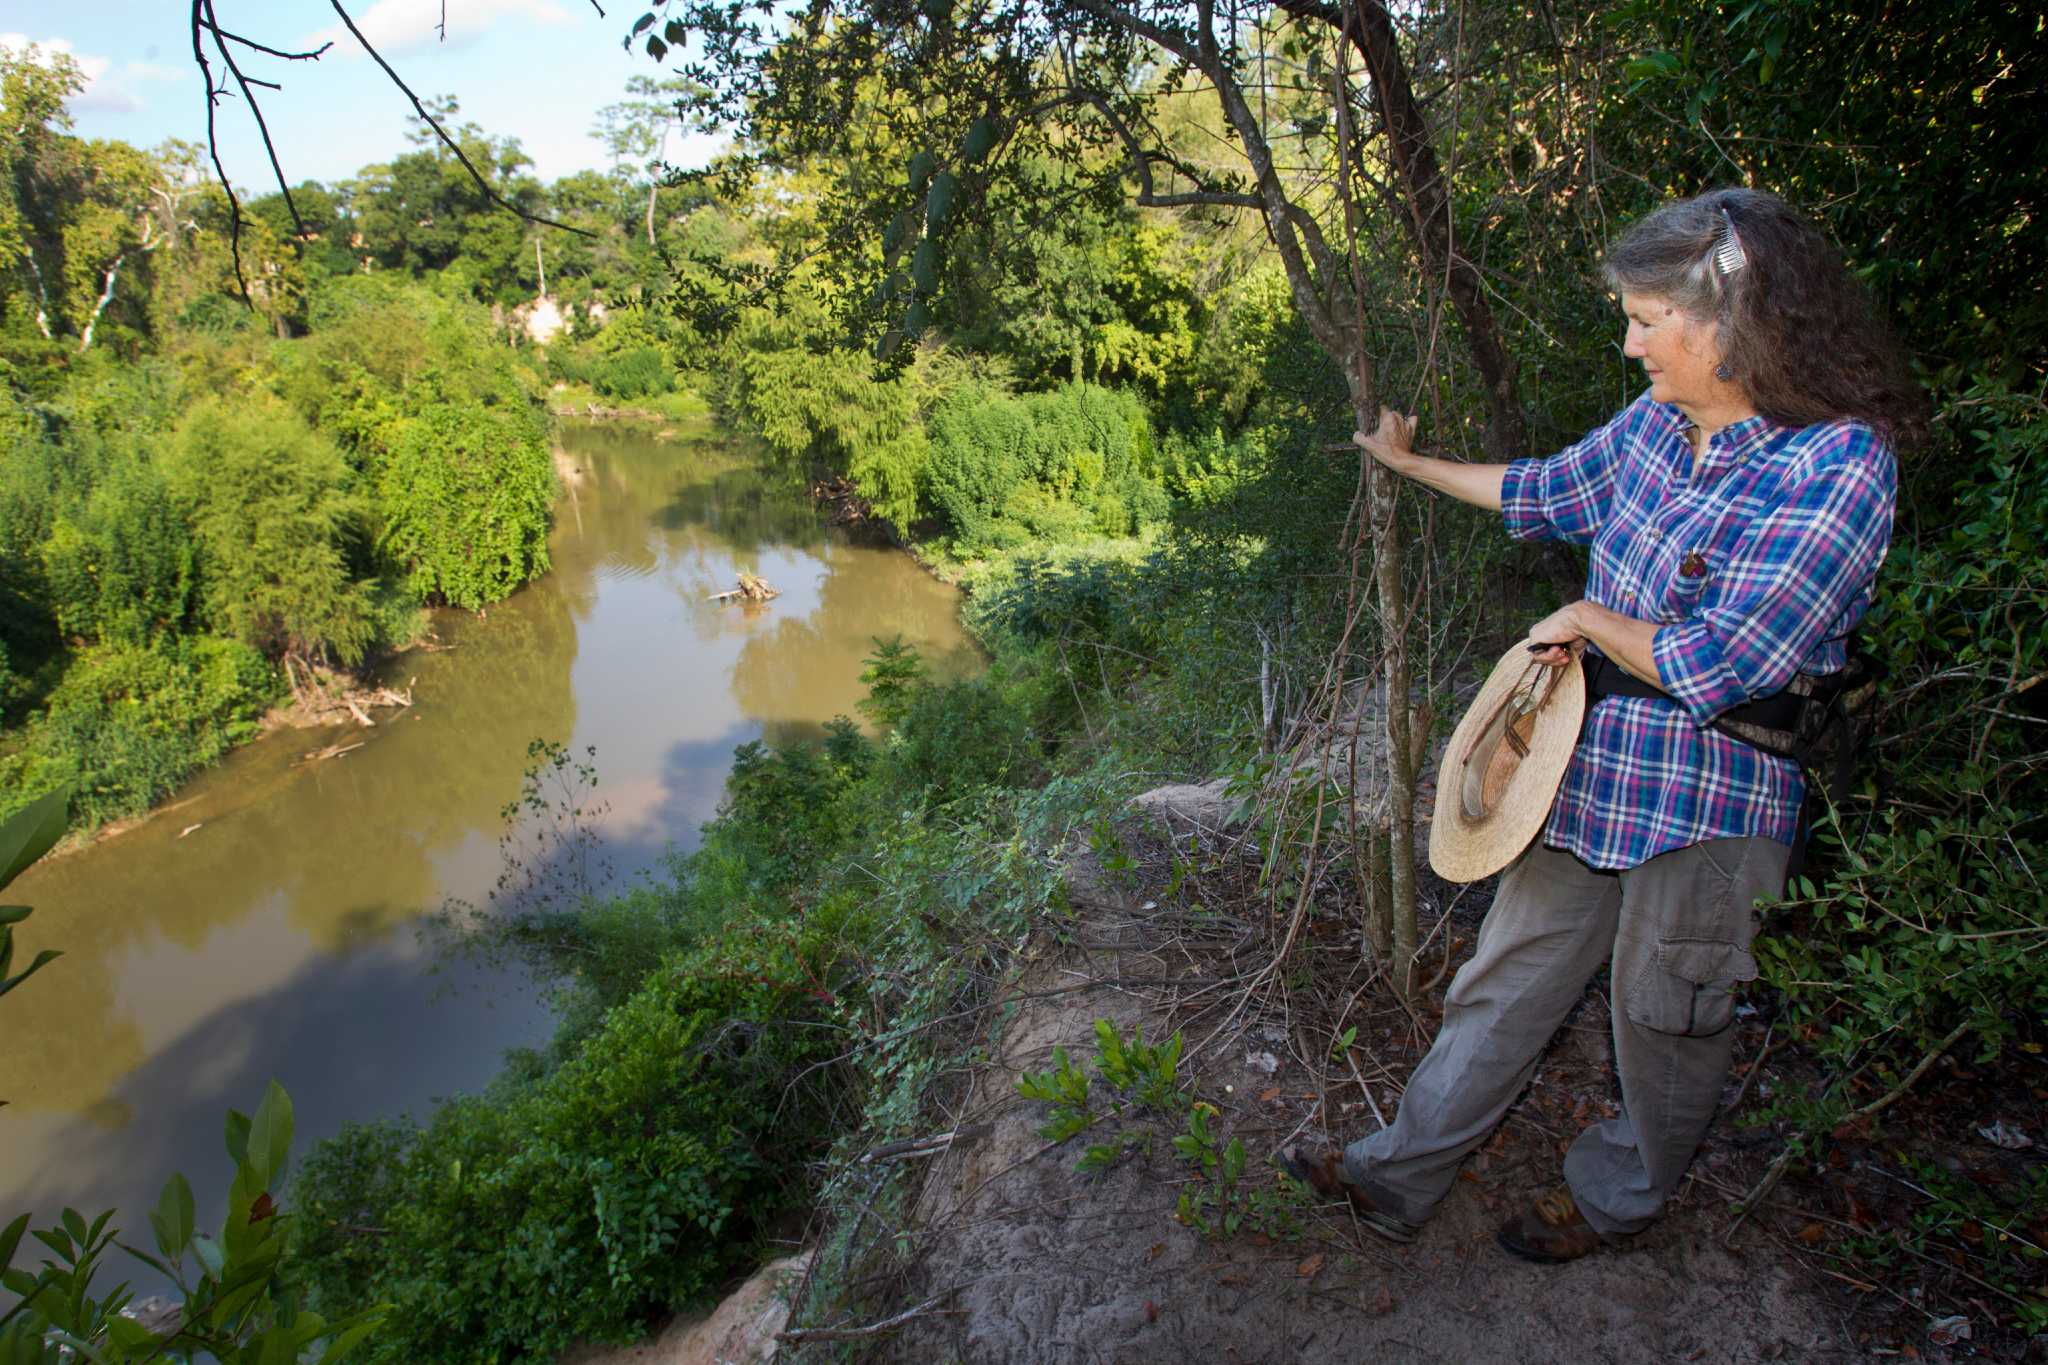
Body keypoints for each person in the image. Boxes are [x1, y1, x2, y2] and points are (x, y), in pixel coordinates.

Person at [1279, 187, 1925, 1262]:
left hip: (1720, 792)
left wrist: (1581, 614)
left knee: (1667, 1018)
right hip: (1587, 770)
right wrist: (1409, 464)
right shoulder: (1654, 429)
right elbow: (1542, 489)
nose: (1628, 345)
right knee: (1506, 973)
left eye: (1644, 319)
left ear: (1732, 318)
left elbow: (1720, 660)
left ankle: (1619, 1199)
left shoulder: (1837, 466)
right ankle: (1395, 1175)